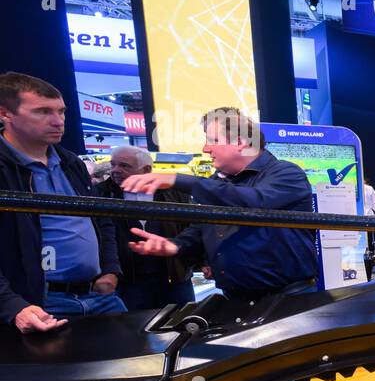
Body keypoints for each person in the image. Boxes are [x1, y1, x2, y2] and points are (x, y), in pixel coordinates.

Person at [124, 107, 320, 301]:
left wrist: (183, 181)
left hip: (288, 301)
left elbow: (254, 202)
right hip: (236, 300)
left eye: (213, 140)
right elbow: (202, 227)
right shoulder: (218, 183)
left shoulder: (286, 173)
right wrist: (176, 246)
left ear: (241, 142)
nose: (206, 148)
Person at [0, 72, 125, 332]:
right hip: (38, 306)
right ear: (5, 114)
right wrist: (12, 305)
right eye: (43, 111)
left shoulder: (70, 163)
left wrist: (111, 270)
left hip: (99, 296)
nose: (58, 121)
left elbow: (102, 220)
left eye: (62, 111)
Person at [98, 145, 194, 310]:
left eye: (124, 165)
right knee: (131, 331)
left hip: (174, 277)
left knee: (182, 324)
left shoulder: (176, 193)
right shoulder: (99, 194)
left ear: (147, 169)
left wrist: (204, 261)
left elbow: (192, 227)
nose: (115, 170)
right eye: (113, 164)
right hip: (126, 281)